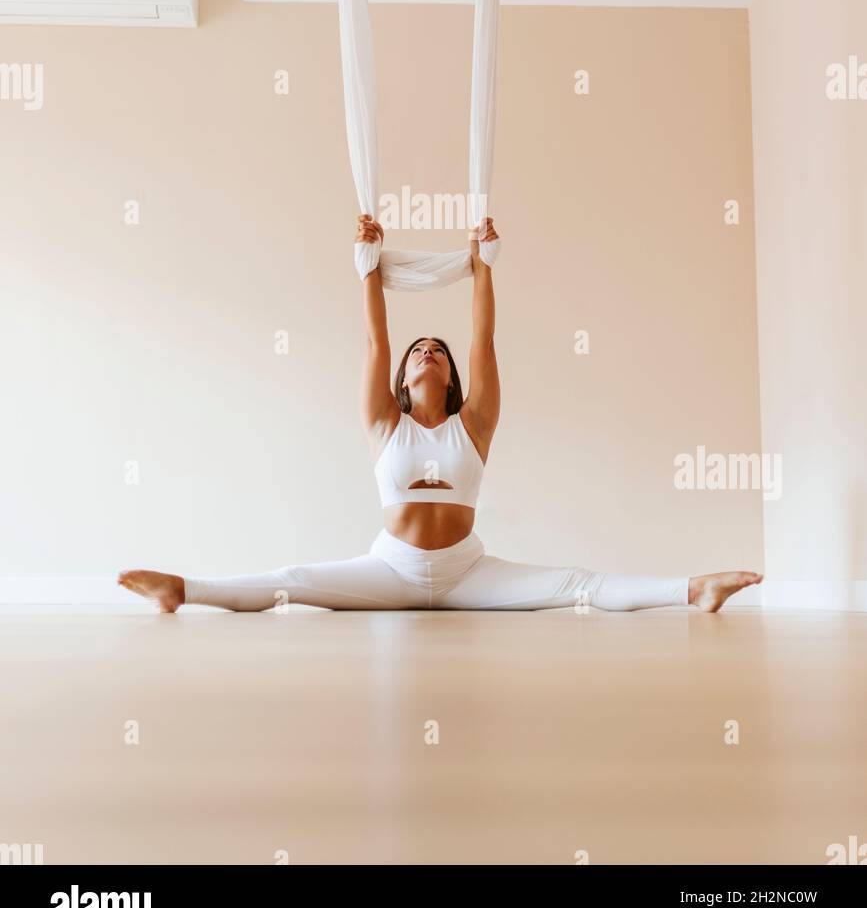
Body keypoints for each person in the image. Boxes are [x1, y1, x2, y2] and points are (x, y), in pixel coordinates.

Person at [119, 215, 762, 614]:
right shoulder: (383, 424)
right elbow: (377, 338)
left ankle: (696, 589)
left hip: (468, 572)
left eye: (438, 352)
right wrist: (368, 264)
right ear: (403, 379)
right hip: (390, 570)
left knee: (578, 584)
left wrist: (482, 267)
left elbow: (483, 341)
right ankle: (183, 589)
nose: (428, 353)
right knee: (291, 581)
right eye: (418, 352)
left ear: (451, 377)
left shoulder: (475, 424)